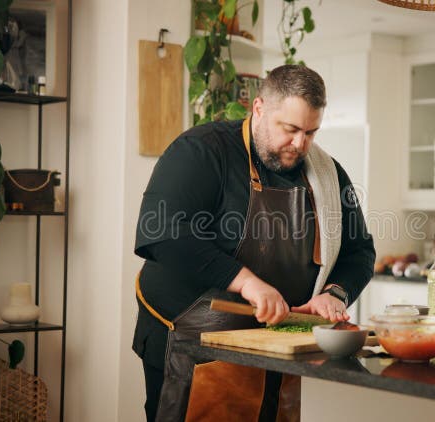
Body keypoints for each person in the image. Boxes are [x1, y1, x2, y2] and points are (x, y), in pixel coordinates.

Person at [132, 65, 375, 421]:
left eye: (311, 132)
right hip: (191, 343)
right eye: (290, 129)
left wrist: (335, 293)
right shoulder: (201, 150)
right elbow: (166, 233)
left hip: (279, 348)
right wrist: (246, 282)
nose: (300, 144)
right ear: (259, 109)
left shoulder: (328, 173)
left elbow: (360, 251)